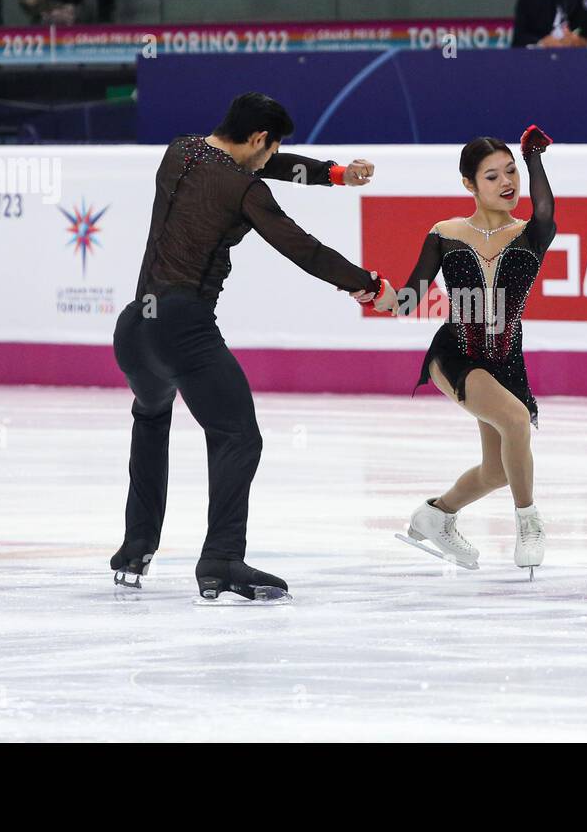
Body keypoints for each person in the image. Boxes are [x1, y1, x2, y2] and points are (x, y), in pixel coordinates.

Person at [110, 92, 389, 601]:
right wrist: (367, 284)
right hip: (182, 328)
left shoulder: (180, 150)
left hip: (136, 328)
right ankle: (220, 558)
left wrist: (333, 174)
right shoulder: (245, 190)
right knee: (238, 436)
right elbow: (303, 248)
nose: (269, 160)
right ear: (259, 138)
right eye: (270, 147)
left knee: (151, 418)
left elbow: (267, 164)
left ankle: (135, 549)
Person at [374, 125, 555, 576]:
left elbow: (546, 209)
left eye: (510, 172)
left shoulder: (531, 235)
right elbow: (412, 297)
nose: (507, 183)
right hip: (455, 353)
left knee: (497, 470)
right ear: (468, 185)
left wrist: (534, 159)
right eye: (492, 176)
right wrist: (382, 297)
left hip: (506, 360)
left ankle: (435, 514)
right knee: (514, 420)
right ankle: (529, 523)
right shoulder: (445, 232)